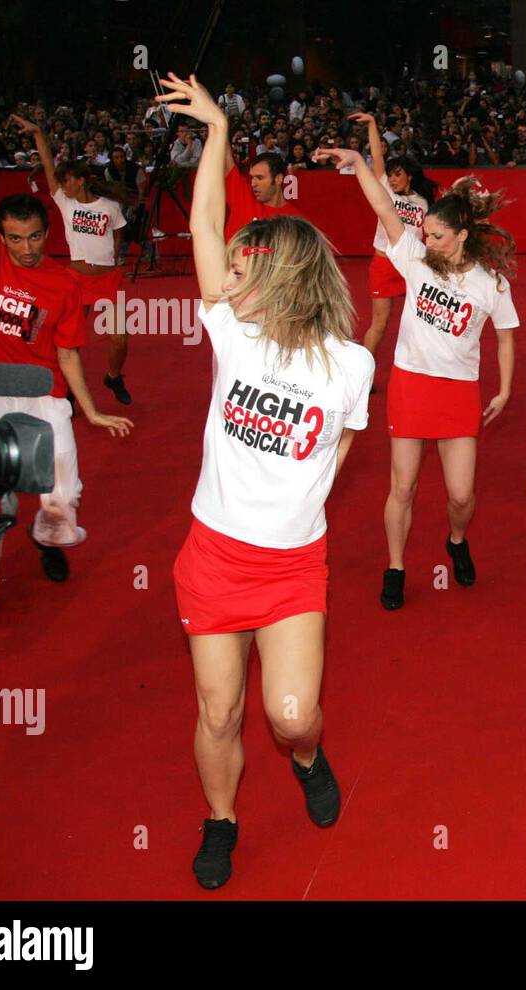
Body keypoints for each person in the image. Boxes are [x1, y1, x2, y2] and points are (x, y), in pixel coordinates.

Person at [155, 73, 374, 890]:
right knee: (219, 710)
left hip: (289, 568)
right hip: (213, 556)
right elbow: (205, 222)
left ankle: (309, 759)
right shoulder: (234, 337)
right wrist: (216, 129)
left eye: (248, 265)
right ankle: (222, 820)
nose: (229, 272)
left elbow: (343, 445)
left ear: (284, 277)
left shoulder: (349, 364)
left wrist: (302, 496)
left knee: (291, 717)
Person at [319, 145, 517, 609]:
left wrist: (506, 389)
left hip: (458, 391)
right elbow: (385, 207)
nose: (426, 240)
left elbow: (506, 336)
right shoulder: (412, 257)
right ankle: (395, 566)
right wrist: (359, 162)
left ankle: (456, 538)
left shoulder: (491, 284)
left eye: (437, 236)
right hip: (410, 384)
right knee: (402, 487)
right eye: (425, 233)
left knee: (462, 493)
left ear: (462, 235)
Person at [0, 191, 132, 621]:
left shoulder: (64, 283)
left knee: (63, 491)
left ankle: (46, 537)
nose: (25, 249)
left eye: (33, 237)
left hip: (43, 390)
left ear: (48, 234)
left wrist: (93, 410)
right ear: (1, 237)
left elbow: (68, 354)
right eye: (14, 239)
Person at [14, 115, 133, 404]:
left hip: (108, 278)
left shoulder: (111, 207)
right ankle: (69, 388)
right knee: (72, 340)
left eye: (67, 180)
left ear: (81, 181)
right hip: (77, 280)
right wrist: (39, 134)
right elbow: (47, 165)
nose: (61, 185)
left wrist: (111, 262)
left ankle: (113, 377)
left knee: (120, 339)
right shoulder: (65, 203)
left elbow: (117, 238)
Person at [348, 111, 436, 363]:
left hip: (412, 265)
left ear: (409, 175)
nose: (394, 178)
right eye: (392, 174)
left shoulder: (423, 201)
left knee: (422, 318)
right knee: (380, 323)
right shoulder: (385, 189)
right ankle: (363, 372)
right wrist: (373, 124)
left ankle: (420, 364)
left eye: (399, 174)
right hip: (385, 264)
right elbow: (376, 155)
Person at [223, 148, 307, 239]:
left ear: (278, 178)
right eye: (252, 177)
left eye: (259, 178)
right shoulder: (243, 195)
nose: (253, 184)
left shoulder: (296, 222)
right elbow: (223, 155)